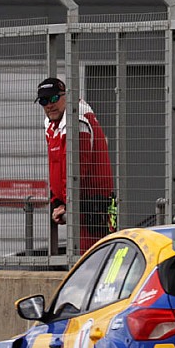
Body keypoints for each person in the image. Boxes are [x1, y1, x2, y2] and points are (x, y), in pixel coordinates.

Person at [38, 77, 115, 251]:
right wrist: (57, 202)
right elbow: (55, 166)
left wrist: (66, 203)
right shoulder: (53, 124)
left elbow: (76, 169)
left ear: (65, 96)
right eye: (44, 101)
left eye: (54, 98)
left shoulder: (76, 120)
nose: (49, 105)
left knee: (91, 262)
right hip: (77, 204)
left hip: (92, 205)